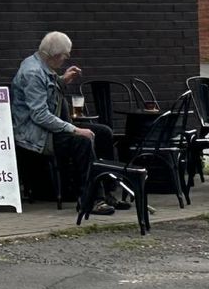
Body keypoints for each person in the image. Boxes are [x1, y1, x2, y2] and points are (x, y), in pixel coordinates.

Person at [10, 31, 126, 212]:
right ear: (55, 55)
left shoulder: (41, 66)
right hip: (36, 135)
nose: (66, 59)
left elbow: (47, 93)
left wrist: (62, 81)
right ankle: (91, 199)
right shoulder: (32, 73)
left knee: (103, 133)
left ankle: (107, 190)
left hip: (48, 129)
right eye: (65, 55)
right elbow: (39, 115)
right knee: (82, 140)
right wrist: (74, 129)